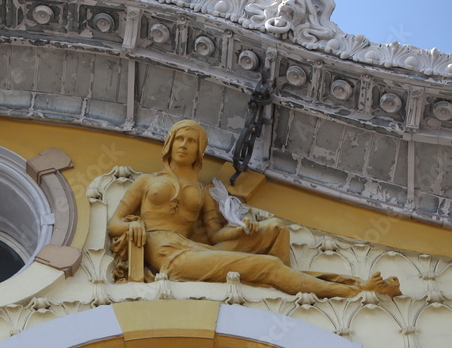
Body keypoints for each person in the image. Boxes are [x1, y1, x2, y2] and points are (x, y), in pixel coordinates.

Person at [107, 119, 401, 298]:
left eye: (191, 141)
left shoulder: (203, 193)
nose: (184, 145)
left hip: (194, 249)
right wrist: (133, 225)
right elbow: (114, 223)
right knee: (268, 266)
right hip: (168, 255)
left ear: (200, 150)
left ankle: (294, 283)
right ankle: (354, 290)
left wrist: (239, 229)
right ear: (169, 144)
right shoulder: (146, 182)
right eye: (179, 139)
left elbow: (215, 236)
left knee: (276, 229)